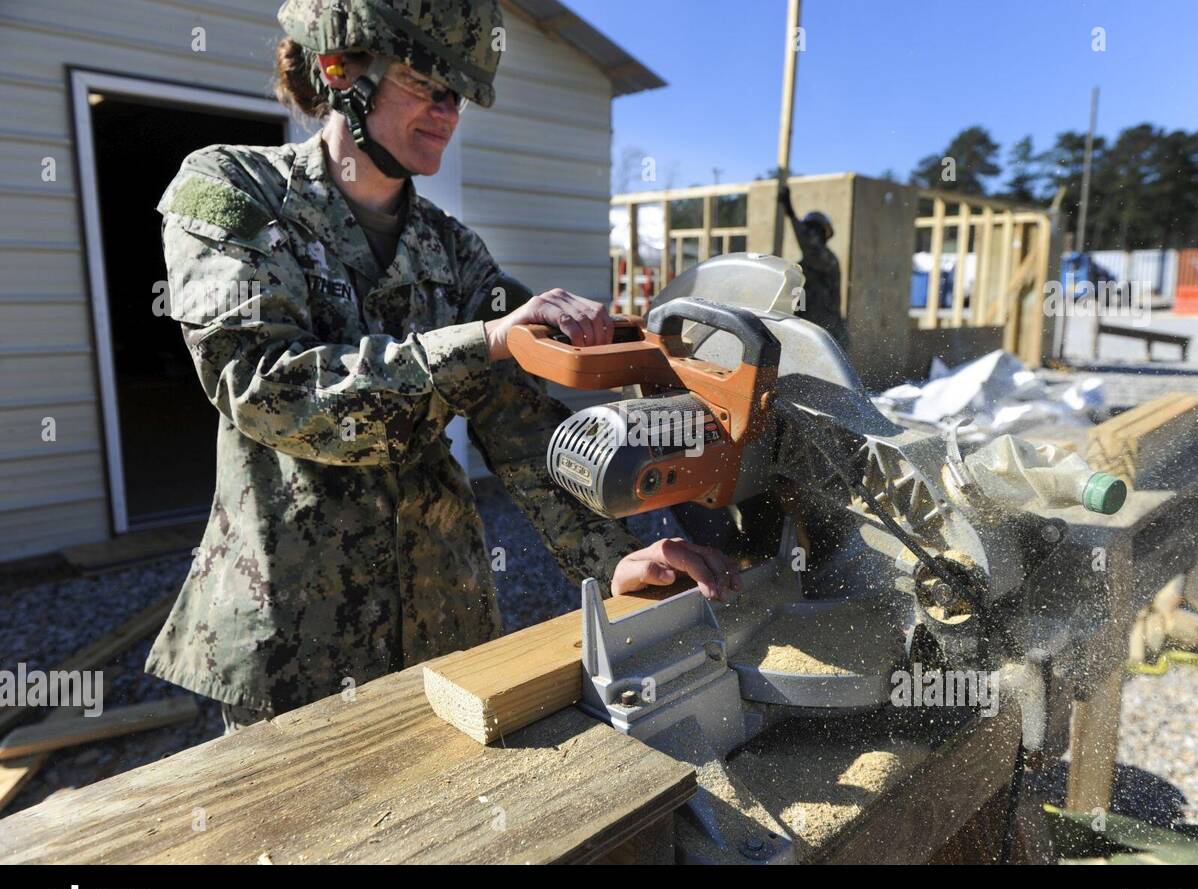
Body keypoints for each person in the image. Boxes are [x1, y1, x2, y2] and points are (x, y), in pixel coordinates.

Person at [145, 0, 740, 732]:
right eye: (426, 84)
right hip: (293, 639)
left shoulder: (453, 251)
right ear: (343, 71)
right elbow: (264, 387)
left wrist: (616, 556)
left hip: (445, 623)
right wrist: (483, 338)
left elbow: (524, 432)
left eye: (458, 96)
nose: (448, 113)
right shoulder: (236, 193)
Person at [778, 183, 848, 349]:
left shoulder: (828, 261)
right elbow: (798, 302)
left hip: (829, 339)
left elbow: (811, 248)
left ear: (824, 235)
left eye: (816, 231)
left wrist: (791, 214)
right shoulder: (800, 269)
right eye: (809, 230)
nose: (811, 235)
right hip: (807, 336)